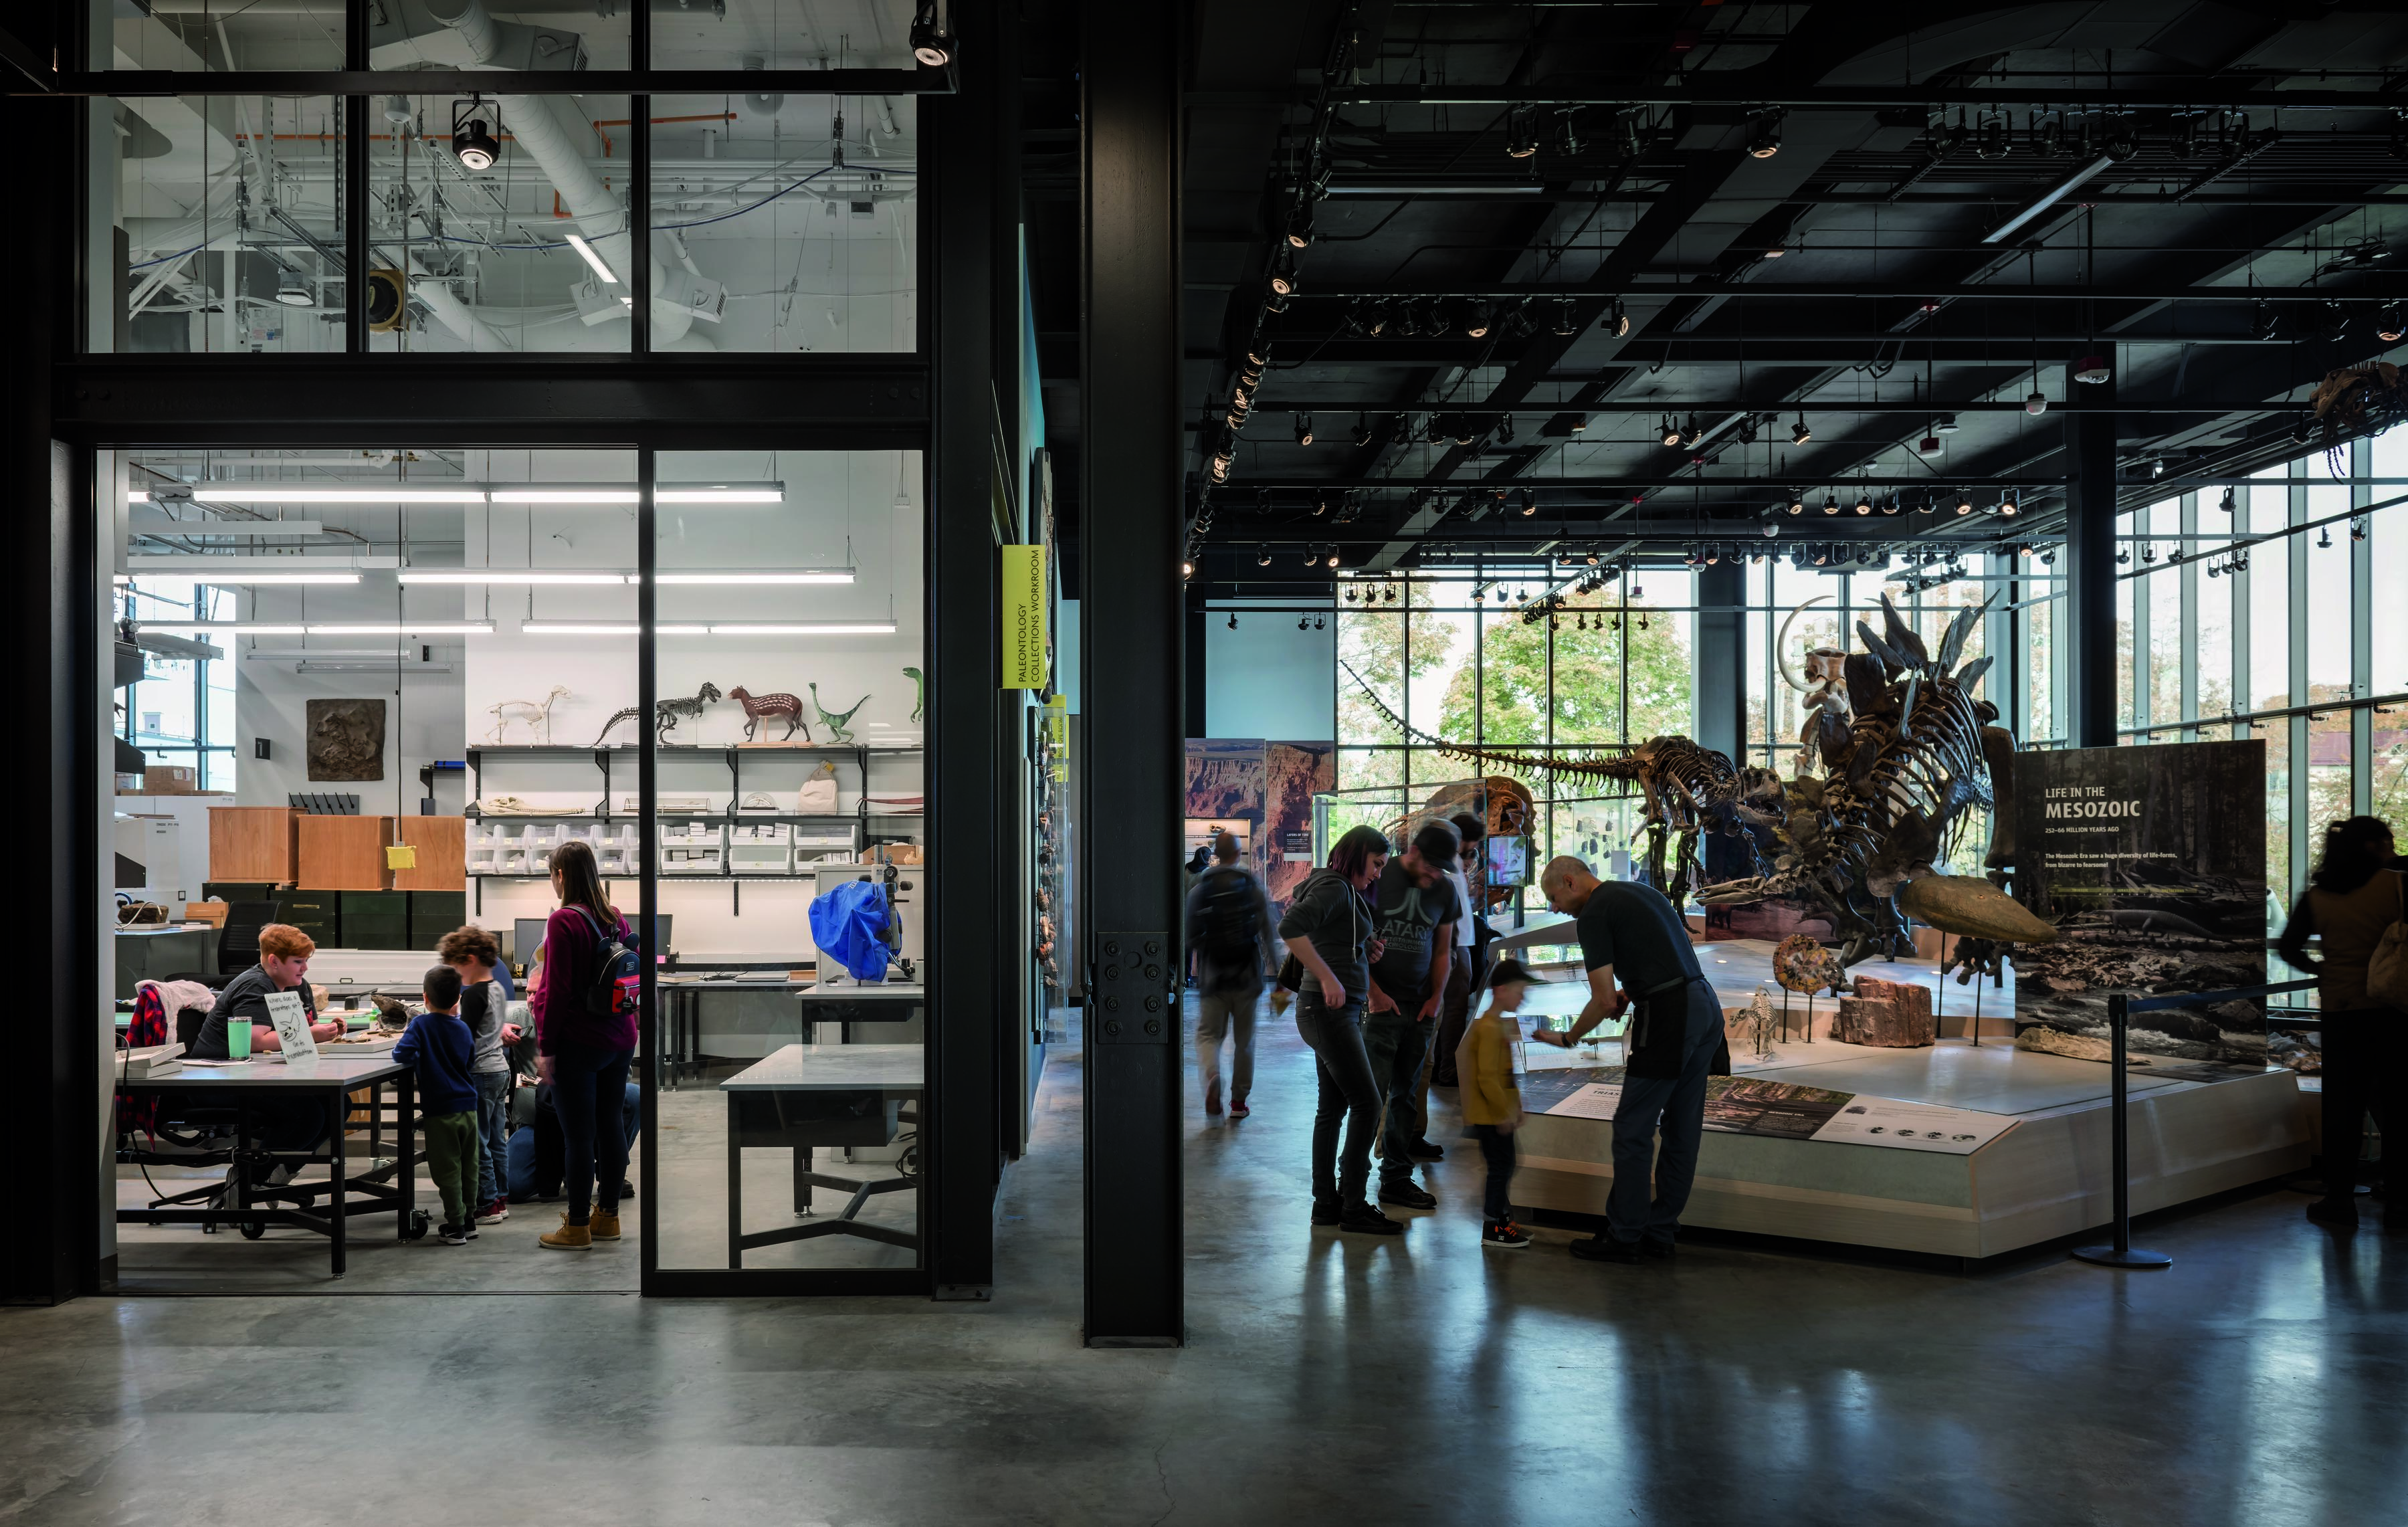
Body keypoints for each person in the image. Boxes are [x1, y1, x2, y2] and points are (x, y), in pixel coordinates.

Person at [1533, 855, 1724, 1264]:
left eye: (1553, 897)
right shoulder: (1640, 892)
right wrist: (1634, 993)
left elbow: (1602, 998)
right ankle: (1661, 1231)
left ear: (1570, 881)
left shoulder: (1595, 912)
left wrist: (1569, 1037)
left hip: (1671, 1016)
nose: (1554, 908)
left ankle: (1626, 1235)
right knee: (1682, 1126)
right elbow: (1665, 958)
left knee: (1632, 1128)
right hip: (1704, 1005)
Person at [2278, 816, 2406, 1229]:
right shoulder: (2397, 885)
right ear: (2373, 846)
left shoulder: (2318, 896)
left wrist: (2322, 972)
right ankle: (2400, 1202)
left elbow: (2288, 947)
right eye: (2388, 842)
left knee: (2343, 1110)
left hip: (2341, 1011)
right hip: (2394, 1010)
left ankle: (2339, 1201)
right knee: (2399, 1106)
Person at [1278, 824, 1395, 1235]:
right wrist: (1328, 977)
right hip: (1329, 1013)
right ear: (1359, 854)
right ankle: (1354, 1205)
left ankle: (1327, 1204)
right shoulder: (1334, 888)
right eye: (1377, 863)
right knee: (1368, 1104)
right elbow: (1290, 929)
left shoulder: (1338, 888)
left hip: (1327, 1013)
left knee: (1333, 1107)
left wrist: (1365, 949)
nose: (1379, 873)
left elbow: (1328, 939)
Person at [530, 839, 637, 1251]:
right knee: (610, 1125)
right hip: (620, 1037)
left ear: (560, 875)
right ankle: (607, 1217)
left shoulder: (563, 922)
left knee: (578, 1135)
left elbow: (555, 992)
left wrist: (547, 1047)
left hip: (577, 1042)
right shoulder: (616, 918)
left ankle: (576, 1226)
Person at [187, 923, 347, 1179]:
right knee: (307, 1113)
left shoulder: (297, 985)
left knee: (338, 1104)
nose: (305, 968)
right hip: (220, 1081)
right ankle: (248, 1181)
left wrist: (326, 1030)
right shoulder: (255, 986)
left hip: (260, 1074)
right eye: (298, 961)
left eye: (306, 961)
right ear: (274, 961)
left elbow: (304, 1028)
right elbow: (256, 1041)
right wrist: (311, 1034)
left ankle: (280, 1172)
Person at [1361, 819, 1465, 1212]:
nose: (1435, 875)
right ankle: (1350, 1181)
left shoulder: (1444, 890)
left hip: (1420, 1009)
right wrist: (1373, 993)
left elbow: (1443, 950)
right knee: (1369, 1096)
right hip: (1379, 1007)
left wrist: (1437, 998)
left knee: (1406, 1097)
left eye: (1442, 869)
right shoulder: (1377, 879)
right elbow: (1352, 941)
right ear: (1415, 852)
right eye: (1431, 866)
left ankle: (1397, 1179)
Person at [1185, 829, 1276, 1117]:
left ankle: (1213, 1076)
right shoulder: (1252, 886)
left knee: (1209, 1036)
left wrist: (1207, 949)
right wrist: (1280, 981)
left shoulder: (1200, 888)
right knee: (1245, 1043)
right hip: (1248, 977)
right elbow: (1269, 934)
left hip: (1214, 977)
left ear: (1215, 855)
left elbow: (1189, 936)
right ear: (1238, 855)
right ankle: (1239, 1103)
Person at [393, 964, 482, 1246]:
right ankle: (469, 1220)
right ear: (458, 998)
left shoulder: (421, 1024)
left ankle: (455, 1225)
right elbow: (469, 1062)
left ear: (425, 998)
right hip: (468, 1106)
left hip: (440, 1110)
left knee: (447, 1170)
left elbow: (401, 1053)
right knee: (470, 1166)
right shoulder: (464, 1028)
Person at [439, 924, 522, 1226]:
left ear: (470, 959)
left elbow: (466, 1037)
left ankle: (486, 1204)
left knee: (479, 1142)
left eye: (455, 964)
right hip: (500, 1069)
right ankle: (500, 1197)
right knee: (497, 1139)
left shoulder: (474, 994)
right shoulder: (498, 988)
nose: (454, 972)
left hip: (480, 1073)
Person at [1459, 957, 1541, 1249]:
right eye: (1520, 991)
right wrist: (1503, 1112)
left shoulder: (1496, 1025)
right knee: (1500, 1168)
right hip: (1490, 1117)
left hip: (1497, 1114)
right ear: (1502, 990)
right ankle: (1493, 1227)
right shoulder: (1489, 1028)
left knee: (1506, 1165)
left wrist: (1514, 1105)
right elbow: (1486, 1079)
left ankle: (1502, 1222)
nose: (1523, 998)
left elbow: (1504, 1075)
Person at [1425, 812, 1489, 1100]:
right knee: (1454, 1010)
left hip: (1457, 943)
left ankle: (1442, 1068)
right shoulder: (1446, 863)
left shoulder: (1451, 863)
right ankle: (1448, 1071)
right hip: (1455, 945)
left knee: (1450, 1009)